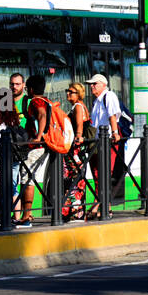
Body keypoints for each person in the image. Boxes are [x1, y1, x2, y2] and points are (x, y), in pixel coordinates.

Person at [18, 74, 54, 226]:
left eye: (26, 88)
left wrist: (38, 136)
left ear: (31, 89)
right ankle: (28, 215)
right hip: (46, 144)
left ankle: (26, 216)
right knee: (29, 177)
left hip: (36, 146)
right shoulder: (47, 101)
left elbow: (42, 115)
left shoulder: (35, 101)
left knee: (27, 179)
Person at [86, 73, 125, 196]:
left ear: (104, 85)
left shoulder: (109, 96)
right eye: (91, 84)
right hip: (98, 140)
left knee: (105, 171)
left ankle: (103, 205)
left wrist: (114, 133)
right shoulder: (96, 101)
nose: (92, 86)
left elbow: (112, 116)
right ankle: (101, 204)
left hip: (108, 139)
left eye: (95, 84)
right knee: (98, 173)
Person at [0, 86, 24, 192]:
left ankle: (4, 209)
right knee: (14, 189)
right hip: (14, 157)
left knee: (1, 189)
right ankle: (16, 209)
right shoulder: (15, 117)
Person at [63, 82, 92, 219]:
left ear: (79, 94)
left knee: (74, 178)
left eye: (71, 91)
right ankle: (75, 211)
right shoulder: (79, 106)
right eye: (67, 91)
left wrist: (78, 136)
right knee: (76, 178)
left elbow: (79, 124)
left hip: (75, 150)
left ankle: (75, 213)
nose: (68, 94)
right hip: (77, 149)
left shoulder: (78, 107)